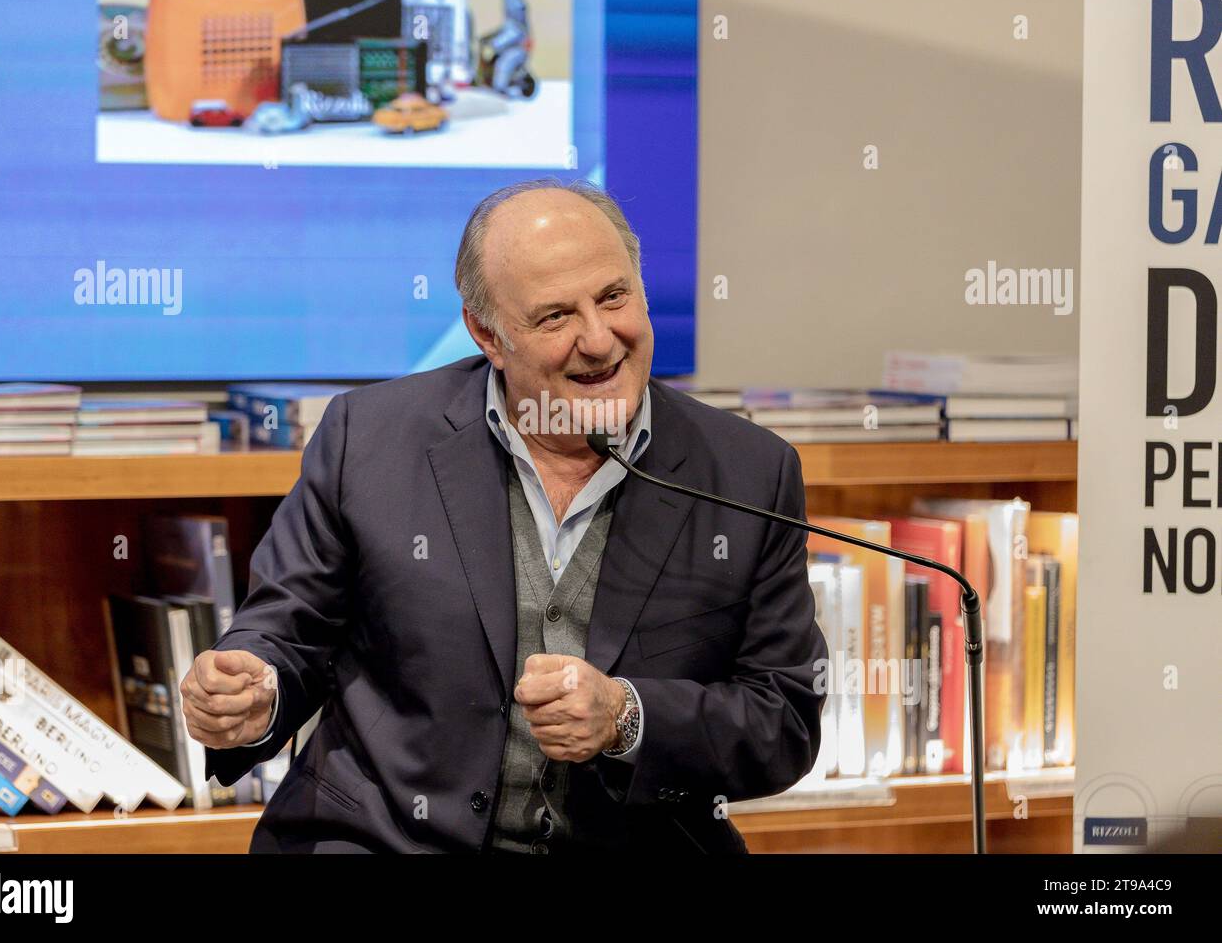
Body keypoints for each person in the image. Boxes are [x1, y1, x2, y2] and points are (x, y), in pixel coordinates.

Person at [180, 178, 828, 853]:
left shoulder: (750, 473)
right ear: (487, 333)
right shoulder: (369, 439)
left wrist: (627, 719)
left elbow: (783, 719)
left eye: (614, 297)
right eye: (555, 318)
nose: (600, 340)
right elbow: (288, 633)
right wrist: (255, 694)